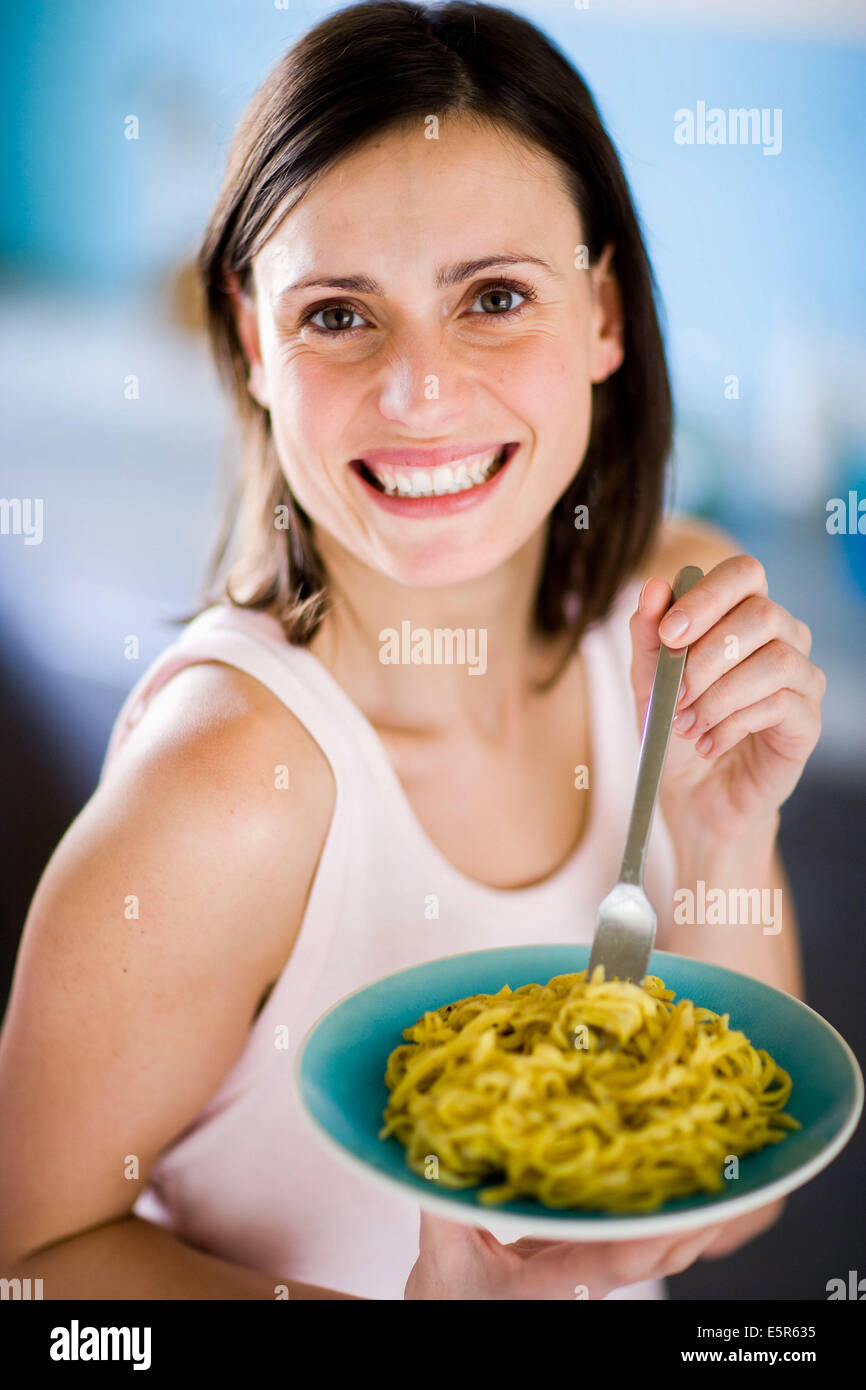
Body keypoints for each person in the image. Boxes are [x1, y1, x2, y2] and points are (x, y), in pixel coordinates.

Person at [0, 1, 823, 1300]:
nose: (420, 391)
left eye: (494, 297)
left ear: (601, 310)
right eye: (338, 314)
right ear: (257, 340)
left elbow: (733, 1196)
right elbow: (31, 1274)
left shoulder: (679, 610)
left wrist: (721, 838)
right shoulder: (217, 795)